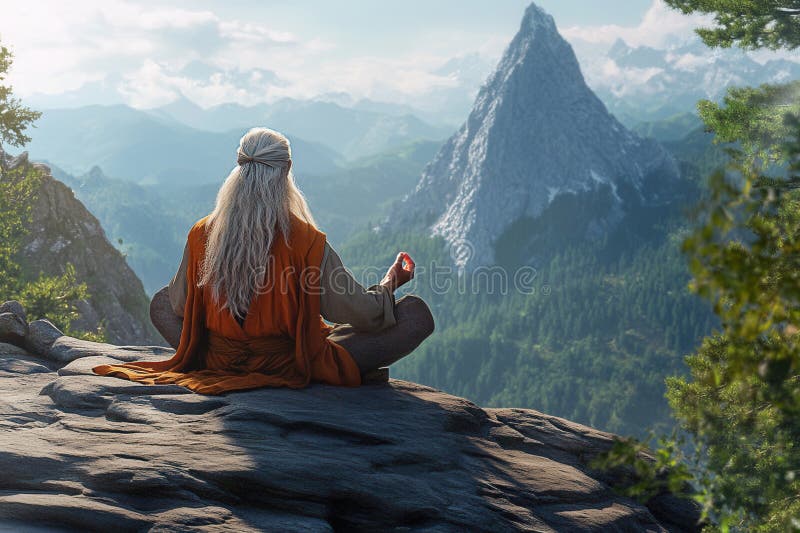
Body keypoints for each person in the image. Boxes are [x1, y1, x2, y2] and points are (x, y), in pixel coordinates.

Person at [93, 127, 434, 395]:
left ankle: (221, 360)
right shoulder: (306, 241)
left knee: (161, 302)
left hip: (218, 360)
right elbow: (360, 313)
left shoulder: (202, 233)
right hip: (289, 364)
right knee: (414, 314)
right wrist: (390, 283)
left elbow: (180, 305)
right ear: (287, 170)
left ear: (239, 166)